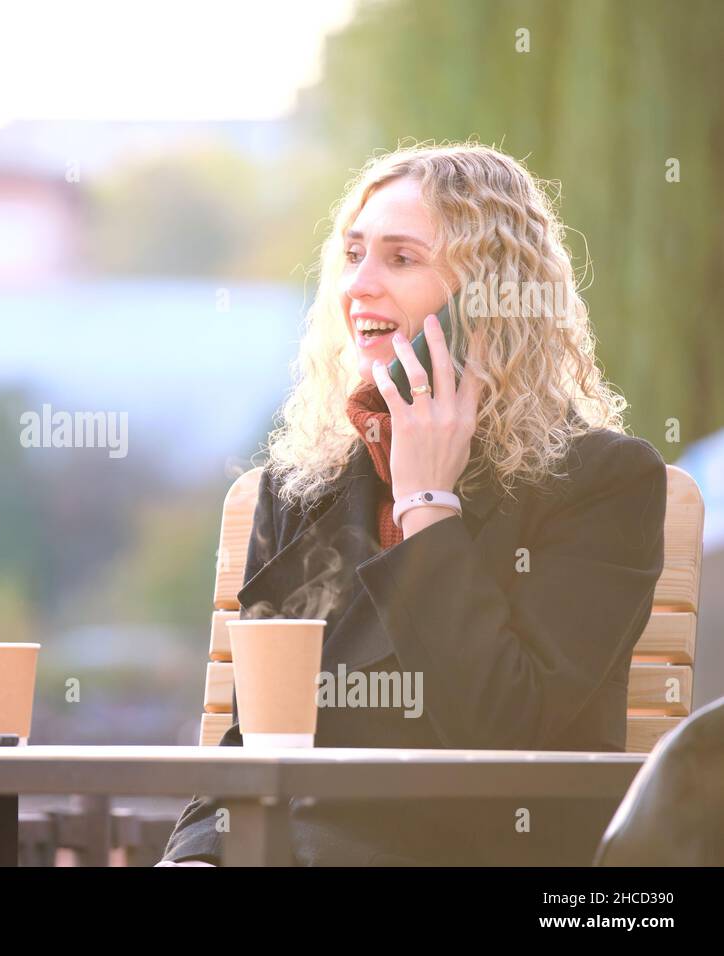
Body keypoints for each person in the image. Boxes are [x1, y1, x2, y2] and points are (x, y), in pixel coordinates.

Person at [157, 142, 667, 866]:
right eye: (354, 254)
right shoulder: (305, 485)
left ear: (487, 296)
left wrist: (428, 503)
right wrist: (196, 860)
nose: (359, 285)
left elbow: (502, 731)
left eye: (401, 259)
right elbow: (253, 747)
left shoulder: (602, 482)